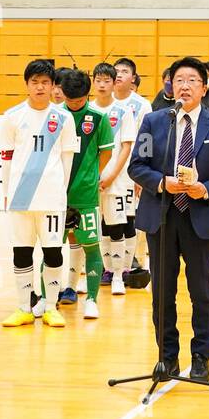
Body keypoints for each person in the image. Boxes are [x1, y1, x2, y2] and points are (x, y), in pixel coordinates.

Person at [128, 57, 209, 381]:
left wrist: (205, 189)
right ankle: (167, 358)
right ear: (170, 86)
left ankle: (201, 357)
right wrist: (163, 182)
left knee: (202, 291)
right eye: (179, 80)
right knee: (162, 293)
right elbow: (138, 165)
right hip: (161, 217)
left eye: (192, 80)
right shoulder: (153, 122)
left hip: (201, 217)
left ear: (204, 88)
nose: (184, 86)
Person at [0, 59, 79, 329]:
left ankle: (51, 306)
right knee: (21, 252)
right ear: (27, 85)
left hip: (52, 199)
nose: (40, 87)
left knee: (53, 252)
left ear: (53, 86)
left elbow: (67, 159)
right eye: (35, 82)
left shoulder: (63, 118)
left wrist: (61, 193)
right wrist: (6, 192)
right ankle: (23, 307)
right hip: (20, 198)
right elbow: (7, 159)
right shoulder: (12, 116)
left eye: (46, 82)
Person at [57, 67, 114, 318]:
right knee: (50, 248)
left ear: (87, 95)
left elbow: (106, 152)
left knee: (91, 246)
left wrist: (91, 176)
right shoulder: (55, 117)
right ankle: (46, 299)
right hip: (55, 195)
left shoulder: (99, 118)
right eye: (69, 100)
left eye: (79, 100)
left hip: (86, 195)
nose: (74, 104)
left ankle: (91, 299)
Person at [90, 62, 137, 295]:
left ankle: (119, 275)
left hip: (117, 180)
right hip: (91, 181)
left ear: (113, 82)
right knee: (99, 228)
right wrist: (93, 176)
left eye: (106, 80)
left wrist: (110, 176)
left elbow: (126, 147)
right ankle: (106, 270)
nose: (102, 84)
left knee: (117, 225)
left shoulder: (123, 111)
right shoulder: (88, 110)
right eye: (98, 80)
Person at [109, 57, 152, 287]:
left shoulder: (142, 105)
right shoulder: (103, 102)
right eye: (116, 71)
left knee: (128, 219)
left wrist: (143, 173)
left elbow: (146, 141)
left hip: (131, 172)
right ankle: (108, 268)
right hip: (106, 172)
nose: (119, 74)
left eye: (124, 71)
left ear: (133, 78)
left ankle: (126, 267)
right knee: (107, 221)